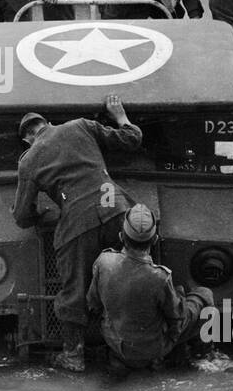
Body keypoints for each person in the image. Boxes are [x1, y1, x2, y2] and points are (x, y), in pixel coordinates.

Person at [13, 97, 143, 372]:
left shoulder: (29, 160)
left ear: (27, 139)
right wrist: (120, 116)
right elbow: (131, 139)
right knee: (134, 275)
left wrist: (43, 215)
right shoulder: (81, 125)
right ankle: (137, 351)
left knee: (74, 290)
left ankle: (74, 355)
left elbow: (22, 217)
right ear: (47, 123)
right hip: (116, 207)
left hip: (77, 220)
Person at [87, 204, 212, 373]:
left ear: (121, 236)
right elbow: (176, 319)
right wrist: (171, 341)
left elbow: (93, 303)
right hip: (153, 348)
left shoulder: (104, 261)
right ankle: (202, 357)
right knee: (204, 294)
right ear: (154, 240)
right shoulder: (160, 277)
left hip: (114, 341)